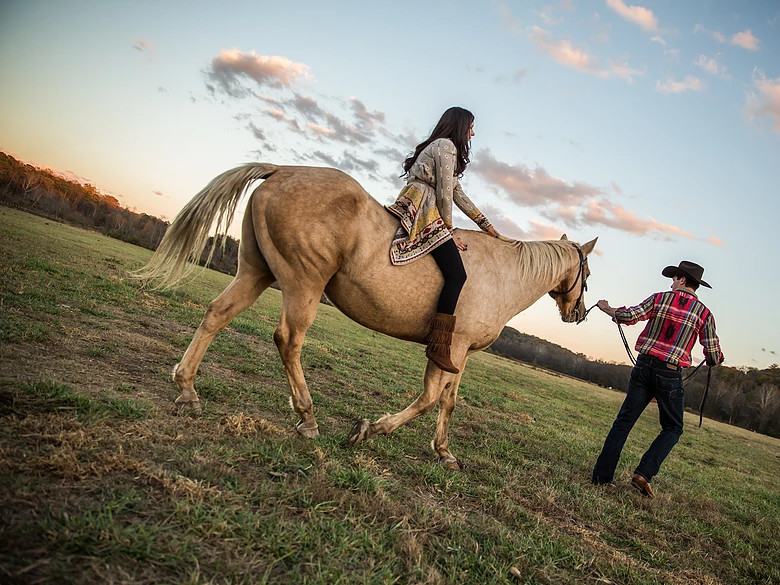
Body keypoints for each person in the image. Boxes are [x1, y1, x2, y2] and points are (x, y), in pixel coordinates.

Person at [591, 260, 724, 497]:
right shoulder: (704, 313)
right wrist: (716, 357)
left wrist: (607, 308)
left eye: (674, 279)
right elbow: (713, 355)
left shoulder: (659, 298)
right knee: (673, 428)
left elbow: (630, 315)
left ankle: (602, 478)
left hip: (643, 366)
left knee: (623, 422)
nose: (671, 283)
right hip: (670, 373)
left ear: (682, 280)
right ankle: (644, 473)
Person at [386, 107, 501, 374]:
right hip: (424, 206)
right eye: (470, 127)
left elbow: (458, 194)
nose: (473, 133)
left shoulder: (442, 147)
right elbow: (445, 194)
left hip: (422, 201)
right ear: (459, 126)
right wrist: (447, 230)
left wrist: (486, 225)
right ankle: (439, 344)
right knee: (457, 274)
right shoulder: (446, 146)